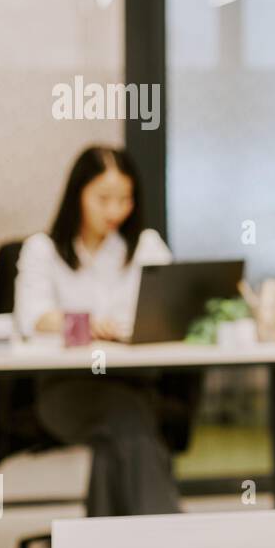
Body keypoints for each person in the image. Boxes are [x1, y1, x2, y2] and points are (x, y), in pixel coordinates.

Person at [14, 145, 180, 517]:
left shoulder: (144, 245)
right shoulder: (42, 250)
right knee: (128, 421)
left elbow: (167, 308)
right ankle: (169, 537)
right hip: (66, 390)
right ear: (78, 195)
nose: (115, 211)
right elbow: (32, 317)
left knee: (117, 438)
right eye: (103, 198)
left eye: (125, 199)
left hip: (133, 382)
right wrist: (85, 324)